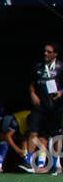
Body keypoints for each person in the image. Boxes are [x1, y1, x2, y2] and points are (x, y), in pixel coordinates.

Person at [28, 41, 61, 173]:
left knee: (56, 135)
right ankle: (29, 162)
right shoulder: (38, 67)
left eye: (49, 52)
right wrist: (32, 94)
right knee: (33, 132)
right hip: (40, 105)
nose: (46, 54)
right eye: (45, 51)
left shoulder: (60, 67)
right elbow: (31, 83)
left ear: (55, 54)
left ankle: (56, 164)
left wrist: (61, 92)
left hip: (56, 106)